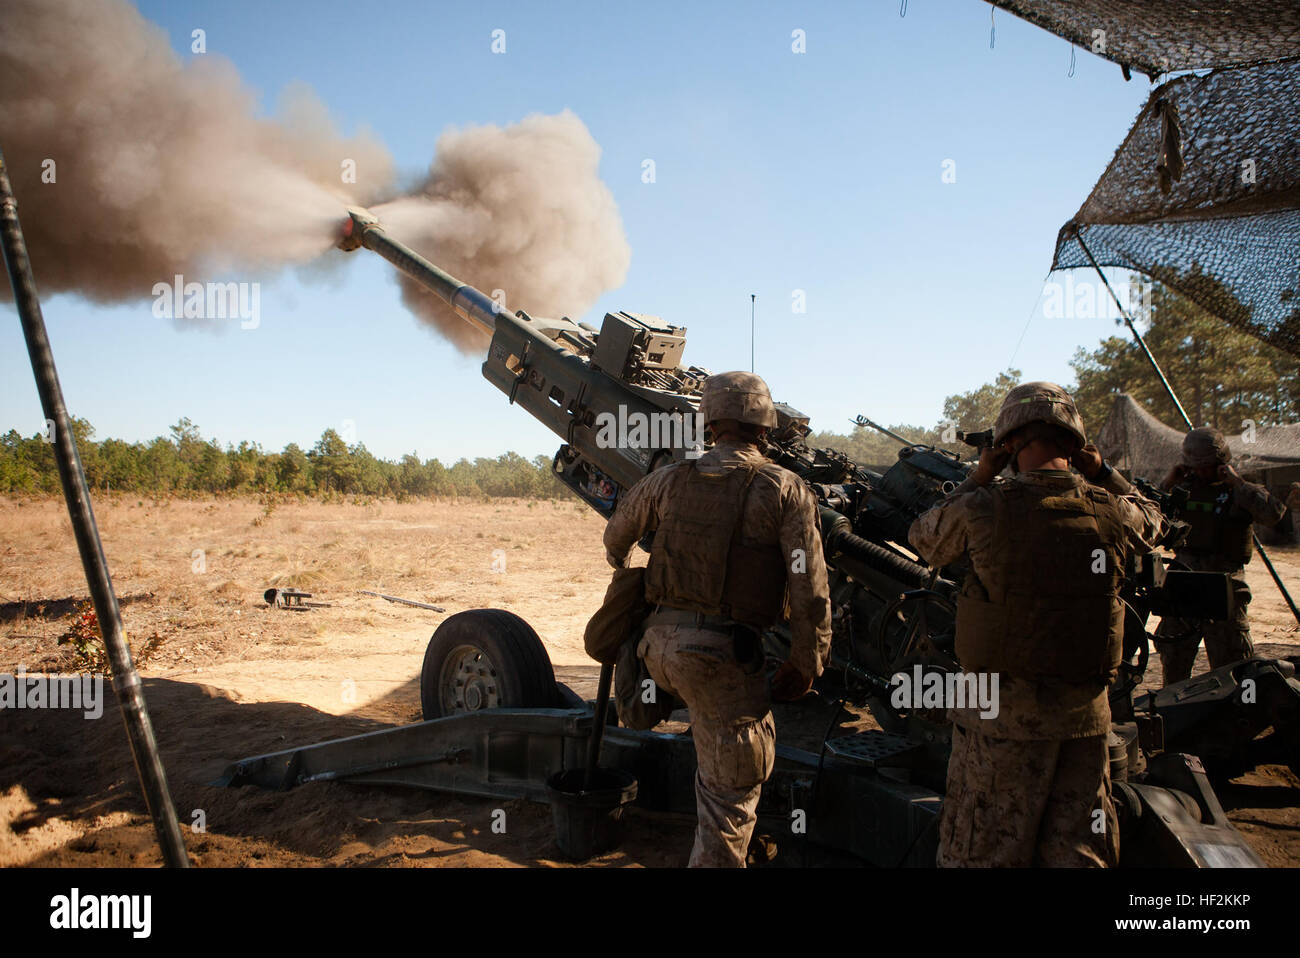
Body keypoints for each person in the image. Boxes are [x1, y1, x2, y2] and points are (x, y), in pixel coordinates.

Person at [908, 382, 1165, 867]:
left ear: (1008, 443)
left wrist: (979, 475)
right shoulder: (1114, 511)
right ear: (1075, 443)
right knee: (1079, 855)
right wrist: (1103, 472)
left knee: (983, 852)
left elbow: (925, 536)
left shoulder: (982, 508)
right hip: (1084, 725)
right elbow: (1158, 520)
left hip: (999, 723)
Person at [603, 371, 832, 867]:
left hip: (657, 652)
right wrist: (807, 661)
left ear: (710, 424)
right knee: (731, 796)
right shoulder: (784, 488)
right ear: (765, 428)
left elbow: (615, 537)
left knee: (711, 736)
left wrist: (633, 564)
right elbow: (808, 585)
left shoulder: (668, 479)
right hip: (719, 659)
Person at [1153, 427, 1287, 685]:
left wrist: (1237, 483)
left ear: (1222, 462)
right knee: (1174, 660)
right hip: (1184, 584)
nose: (1202, 472)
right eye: (1197, 467)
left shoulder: (1240, 490)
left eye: (1208, 466)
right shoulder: (1180, 490)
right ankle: (1173, 718)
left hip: (1224, 590)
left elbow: (1273, 514)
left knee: (1232, 666)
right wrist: (1168, 483)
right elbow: (1147, 515)